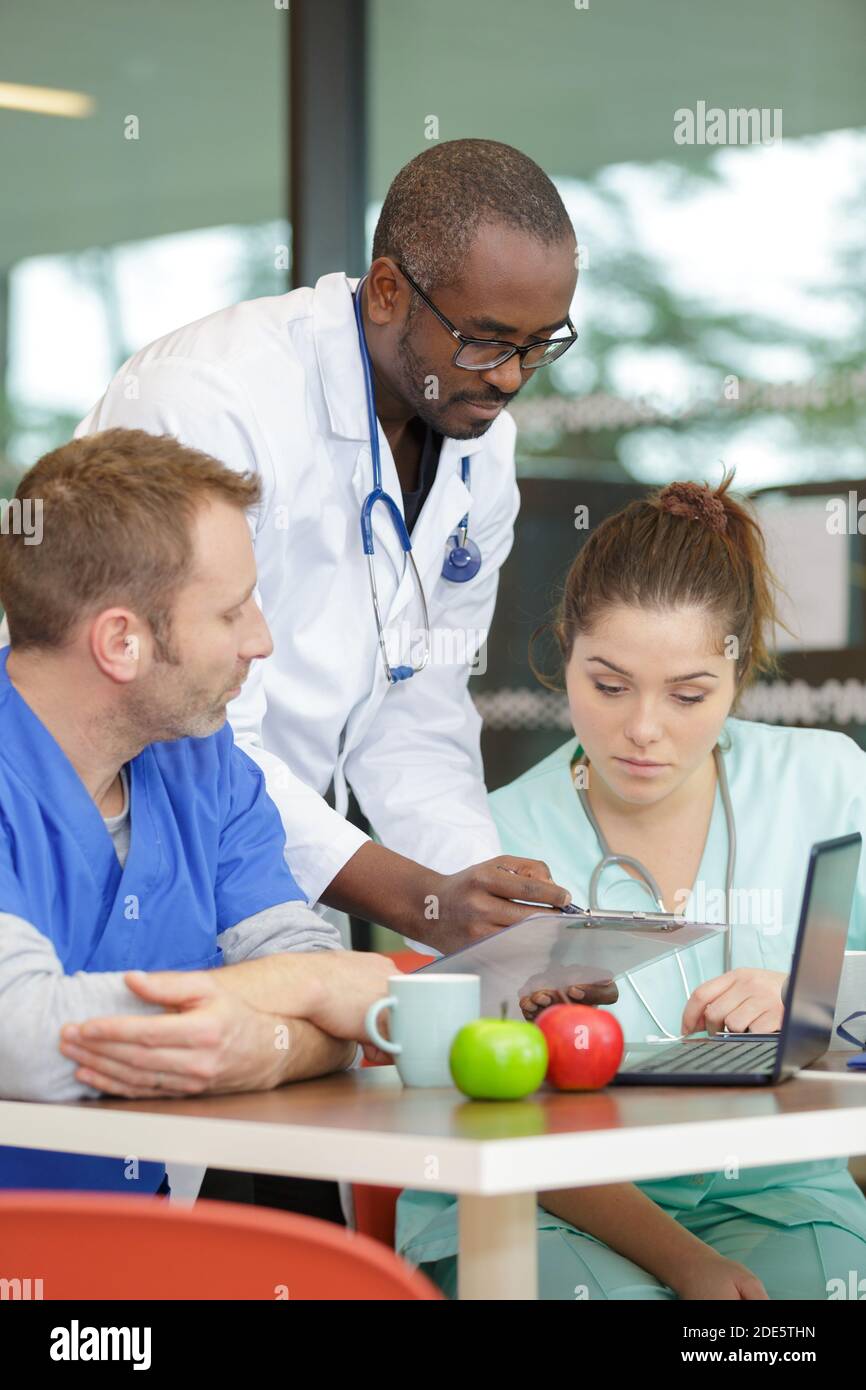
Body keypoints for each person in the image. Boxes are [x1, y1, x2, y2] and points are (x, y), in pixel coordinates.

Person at [74, 139, 581, 954]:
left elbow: (418, 716)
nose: (511, 377)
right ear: (387, 291)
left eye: (540, 345)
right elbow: (194, 729)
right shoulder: (208, 402)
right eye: (486, 341)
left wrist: (497, 934)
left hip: (279, 873)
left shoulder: (481, 448)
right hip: (128, 857)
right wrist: (422, 903)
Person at [395, 472, 866, 1299]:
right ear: (564, 651)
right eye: (609, 686)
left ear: (740, 673)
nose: (643, 729)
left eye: (689, 694)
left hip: (778, 1188)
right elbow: (486, 1111)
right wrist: (687, 1263)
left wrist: (811, 1004)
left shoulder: (827, 781)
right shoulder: (487, 845)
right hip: (543, 1193)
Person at [0, 429, 395, 1196]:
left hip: (141, 1238)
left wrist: (270, 1047)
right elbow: (22, 1036)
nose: (261, 641)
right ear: (122, 642)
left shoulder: (203, 762)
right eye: (232, 611)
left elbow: (347, 1003)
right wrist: (301, 991)